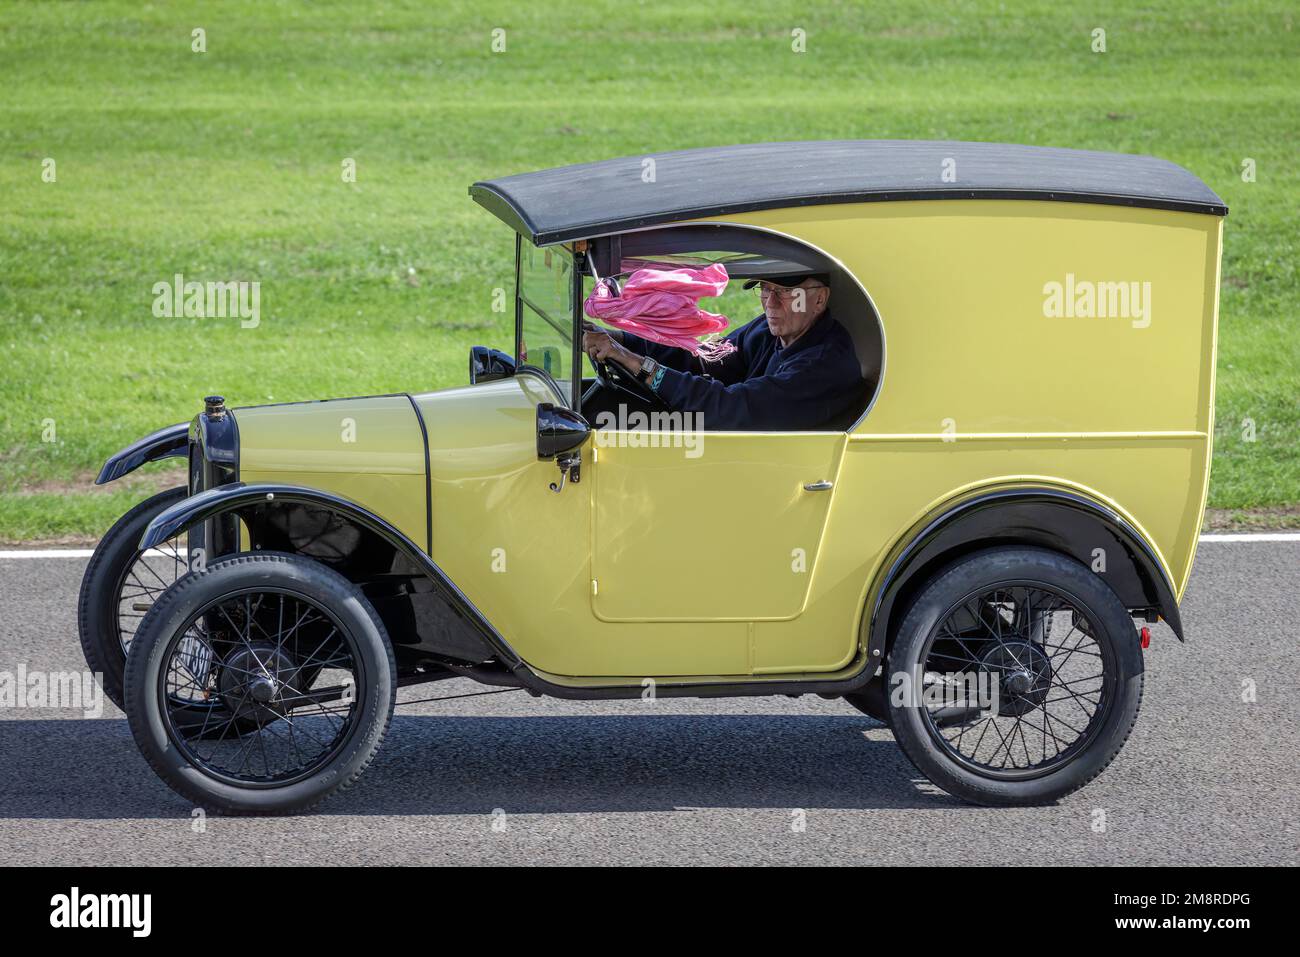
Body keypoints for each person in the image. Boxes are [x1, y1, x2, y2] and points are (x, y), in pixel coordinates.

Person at [581, 273, 865, 431]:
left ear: (820, 300)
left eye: (787, 292)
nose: (771, 304)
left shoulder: (821, 367)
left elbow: (727, 409)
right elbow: (705, 360)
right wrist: (619, 340)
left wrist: (635, 364)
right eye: (766, 290)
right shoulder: (772, 332)